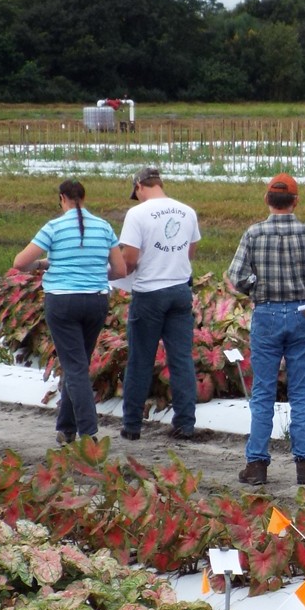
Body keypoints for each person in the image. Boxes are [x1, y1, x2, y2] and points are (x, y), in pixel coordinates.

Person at [227, 174, 305, 486]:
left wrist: (256, 288)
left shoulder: (254, 233)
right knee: (301, 391)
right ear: (296, 202)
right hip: (303, 311)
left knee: (263, 390)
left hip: (266, 313)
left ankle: (257, 465)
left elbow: (235, 276)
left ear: (267, 200)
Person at [12, 180, 127, 444]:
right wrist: (93, 272)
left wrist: (42, 264)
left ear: (62, 198)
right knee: (78, 364)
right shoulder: (104, 226)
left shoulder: (53, 227)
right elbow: (120, 271)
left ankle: (90, 432)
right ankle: (66, 428)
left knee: (75, 367)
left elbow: (20, 262)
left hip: (63, 303)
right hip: (96, 301)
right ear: (84, 198)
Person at [118, 166, 202, 441]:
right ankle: (185, 424)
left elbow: (129, 259)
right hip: (180, 291)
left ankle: (131, 425)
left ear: (140, 185)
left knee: (141, 360)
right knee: (181, 360)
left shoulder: (137, 214)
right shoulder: (187, 211)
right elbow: (190, 252)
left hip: (150, 294)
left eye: (137, 193)